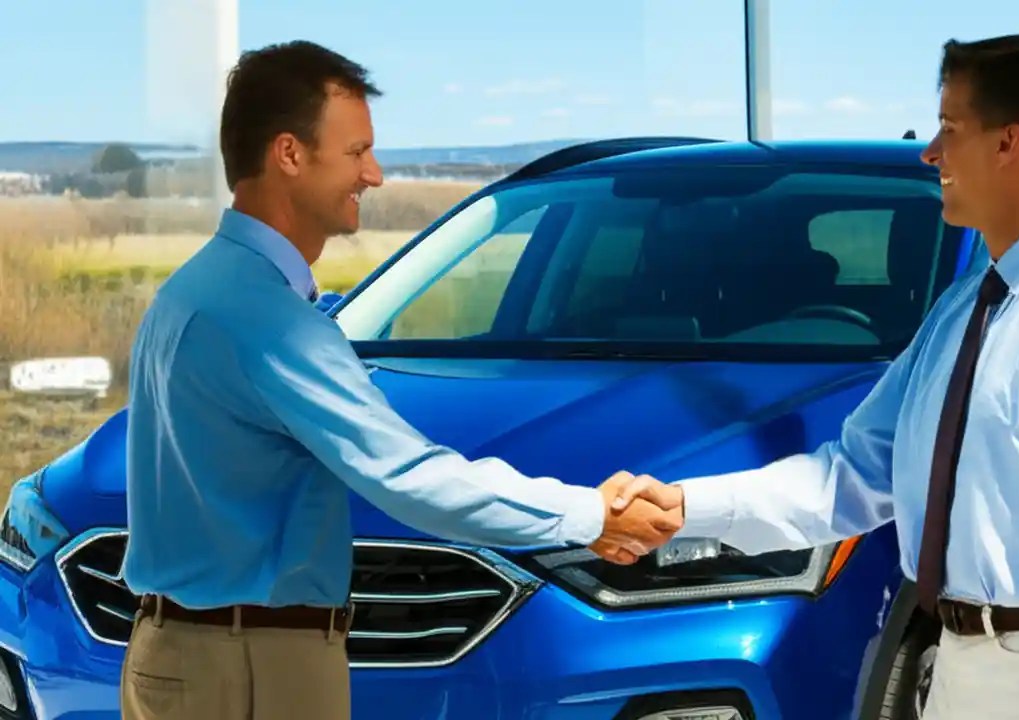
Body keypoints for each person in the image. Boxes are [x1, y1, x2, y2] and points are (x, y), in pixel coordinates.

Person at [610, 33, 1019, 720]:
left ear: (1008, 144)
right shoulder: (962, 311)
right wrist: (685, 507)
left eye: (950, 128)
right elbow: (850, 476)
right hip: (956, 668)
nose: (931, 152)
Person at [118, 40, 678, 720]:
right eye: (356, 152)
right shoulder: (269, 319)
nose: (374, 174)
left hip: (176, 658)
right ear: (290, 154)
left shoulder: (192, 291)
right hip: (254, 673)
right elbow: (411, 476)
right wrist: (589, 516)